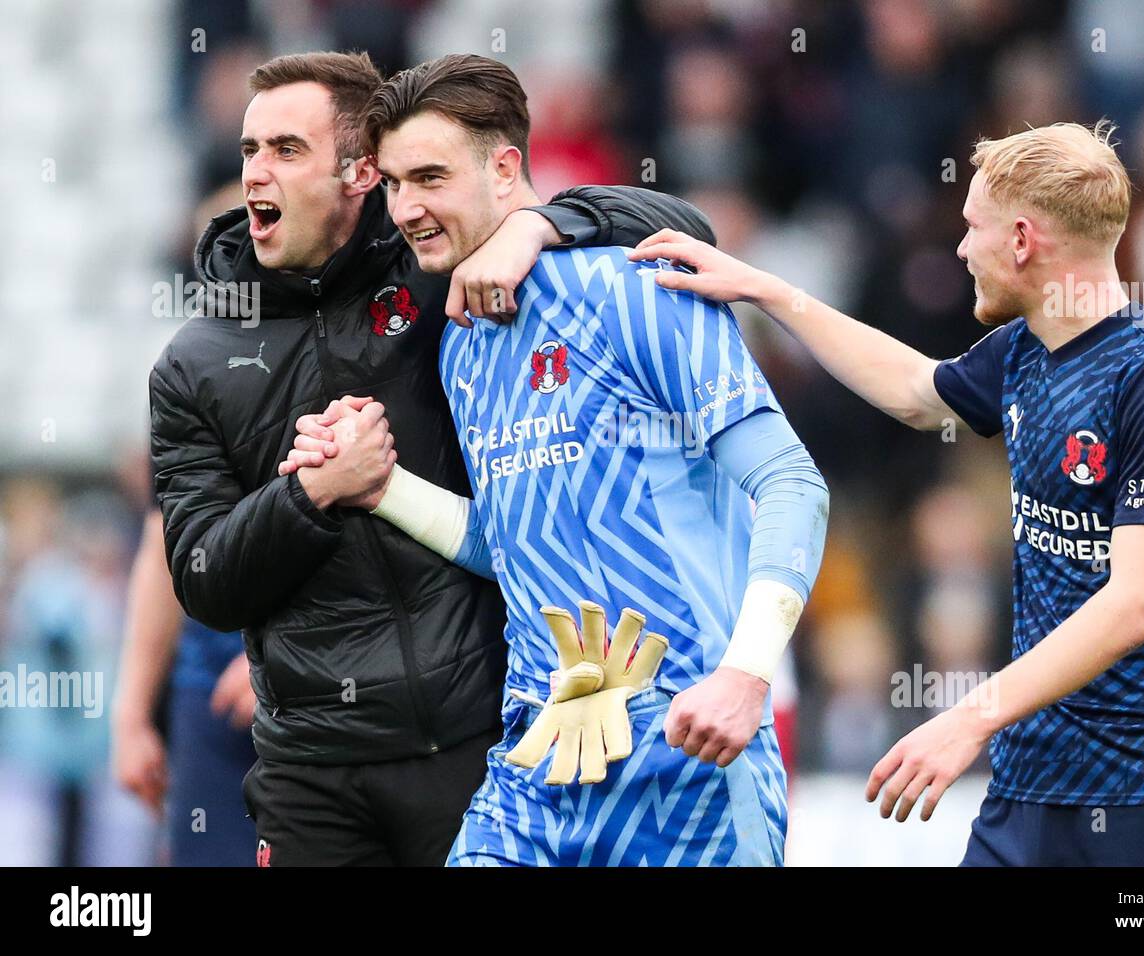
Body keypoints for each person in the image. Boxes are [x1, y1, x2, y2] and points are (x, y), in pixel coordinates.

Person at [150, 50, 716, 866]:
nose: (255, 175)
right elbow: (203, 579)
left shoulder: (435, 272)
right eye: (248, 150)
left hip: (479, 743)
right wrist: (312, 496)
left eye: (285, 150)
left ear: (359, 174)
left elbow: (682, 228)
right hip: (310, 773)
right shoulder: (193, 361)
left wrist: (536, 224)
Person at [626, 122, 1144, 866]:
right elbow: (917, 391)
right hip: (1029, 790)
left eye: (972, 228)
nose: (959, 250)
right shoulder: (1024, 353)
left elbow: (1136, 603)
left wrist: (967, 719)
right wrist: (764, 289)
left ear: (1021, 240)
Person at [282, 54, 829, 866]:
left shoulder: (641, 287)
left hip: (685, 749)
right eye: (393, 184)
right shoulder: (464, 343)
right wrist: (382, 488)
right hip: (537, 765)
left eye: (430, 177)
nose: (406, 207)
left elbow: (791, 482)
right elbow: (510, 543)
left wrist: (746, 674)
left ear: (506, 168)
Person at [112, 511, 257, 866]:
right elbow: (162, 530)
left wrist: (286, 658)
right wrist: (130, 717)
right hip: (211, 696)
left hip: (329, 692)